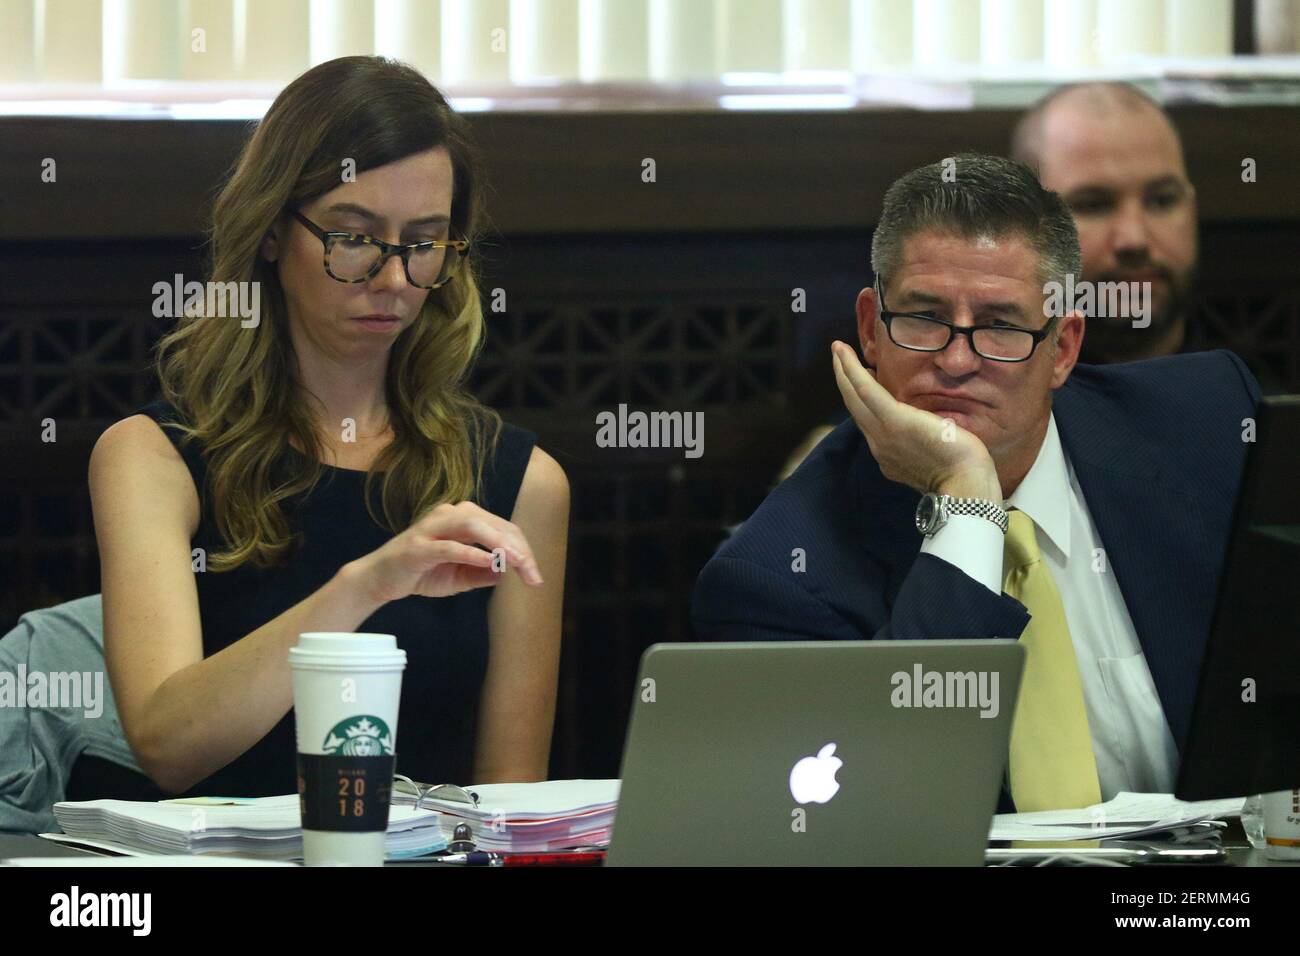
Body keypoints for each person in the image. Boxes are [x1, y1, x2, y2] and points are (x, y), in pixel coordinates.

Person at [692, 154, 1260, 812]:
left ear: (1064, 347)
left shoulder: (1213, 426)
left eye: (999, 325)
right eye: (925, 318)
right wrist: (967, 502)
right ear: (871, 329)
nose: (957, 361)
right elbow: (884, 817)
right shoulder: (774, 579)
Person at [83, 57, 569, 800]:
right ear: (274, 232)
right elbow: (168, 744)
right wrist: (367, 585)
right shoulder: (154, 458)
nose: (395, 279)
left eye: (424, 241)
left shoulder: (519, 482)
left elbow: (509, 799)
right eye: (354, 237)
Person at [1011, 82, 1197, 365]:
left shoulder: (1249, 400)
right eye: (1093, 205)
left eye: (1161, 201)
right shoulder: (976, 401)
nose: (1134, 240)